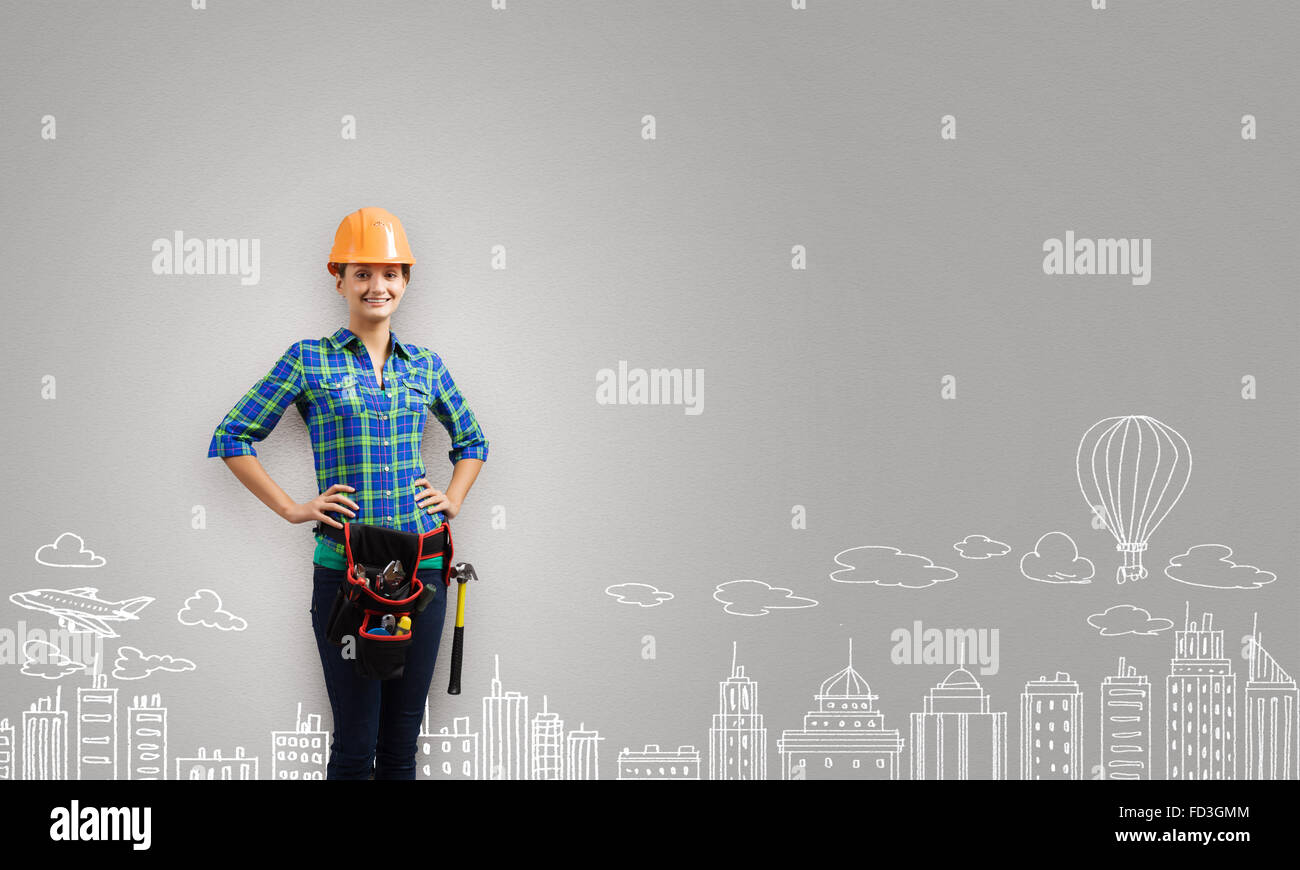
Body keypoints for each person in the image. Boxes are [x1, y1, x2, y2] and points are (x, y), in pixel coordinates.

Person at [206, 206, 488, 779]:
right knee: (356, 747)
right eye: (361, 273)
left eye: (389, 273)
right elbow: (232, 434)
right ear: (337, 279)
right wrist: (292, 507)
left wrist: (453, 497)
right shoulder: (309, 358)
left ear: (406, 281)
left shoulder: (427, 367)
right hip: (346, 572)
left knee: (403, 748)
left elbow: (473, 439)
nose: (376, 286)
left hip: (424, 571)